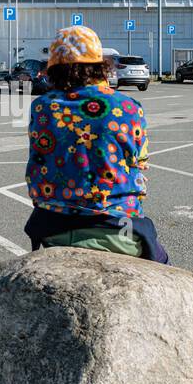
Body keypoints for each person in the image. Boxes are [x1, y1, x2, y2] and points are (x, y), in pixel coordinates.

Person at [23, 25, 168, 263]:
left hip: (51, 223)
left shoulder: (41, 107)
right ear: (100, 65)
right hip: (117, 223)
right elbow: (140, 162)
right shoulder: (128, 106)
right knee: (166, 270)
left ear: (54, 69)